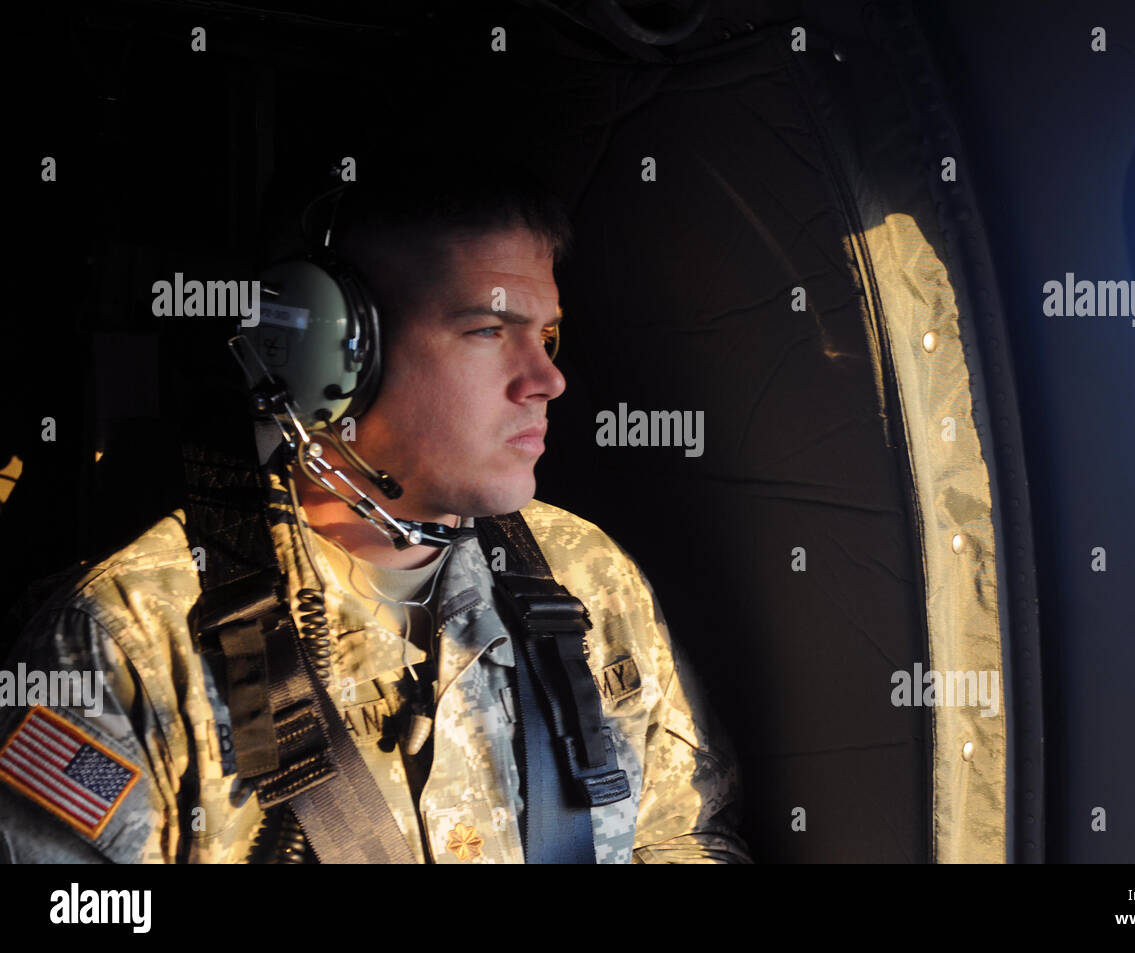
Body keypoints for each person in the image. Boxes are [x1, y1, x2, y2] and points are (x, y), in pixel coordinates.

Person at [0, 154, 751, 864]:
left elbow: (683, 834)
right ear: (333, 357)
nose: (547, 378)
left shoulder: (586, 576)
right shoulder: (128, 644)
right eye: (488, 331)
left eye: (547, 333)